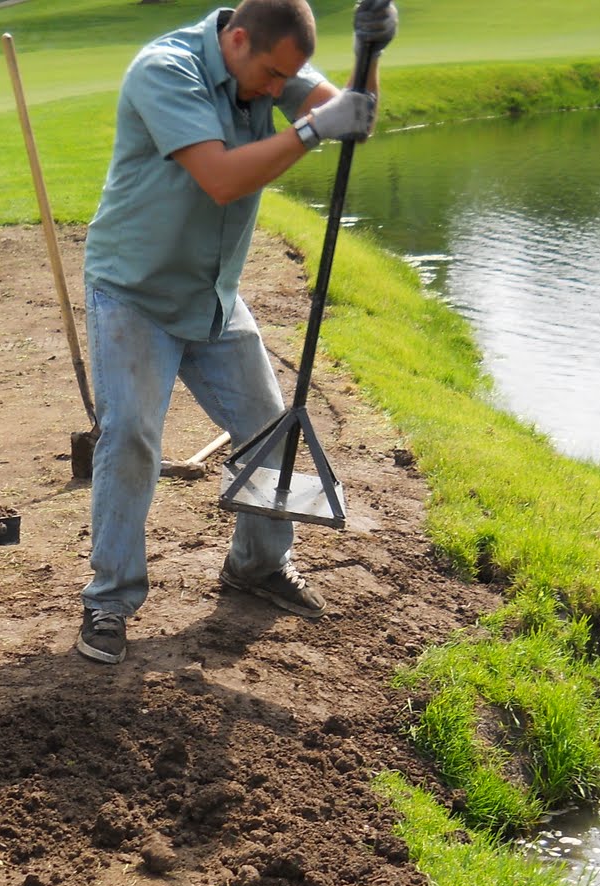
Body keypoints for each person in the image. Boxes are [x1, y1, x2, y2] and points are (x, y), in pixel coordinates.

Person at [75, 0, 398, 665]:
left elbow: (351, 119)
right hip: (135, 292)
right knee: (131, 435)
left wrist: (373, 56)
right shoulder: (166, 70)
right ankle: (109, 602)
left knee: (268, 430)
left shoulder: (267, 64)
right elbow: (221, 179)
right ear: (239, 39)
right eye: (273, 77)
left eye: (290, 80)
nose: (280, 91)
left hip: (211, 295)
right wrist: (312, 130)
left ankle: (256, 565)